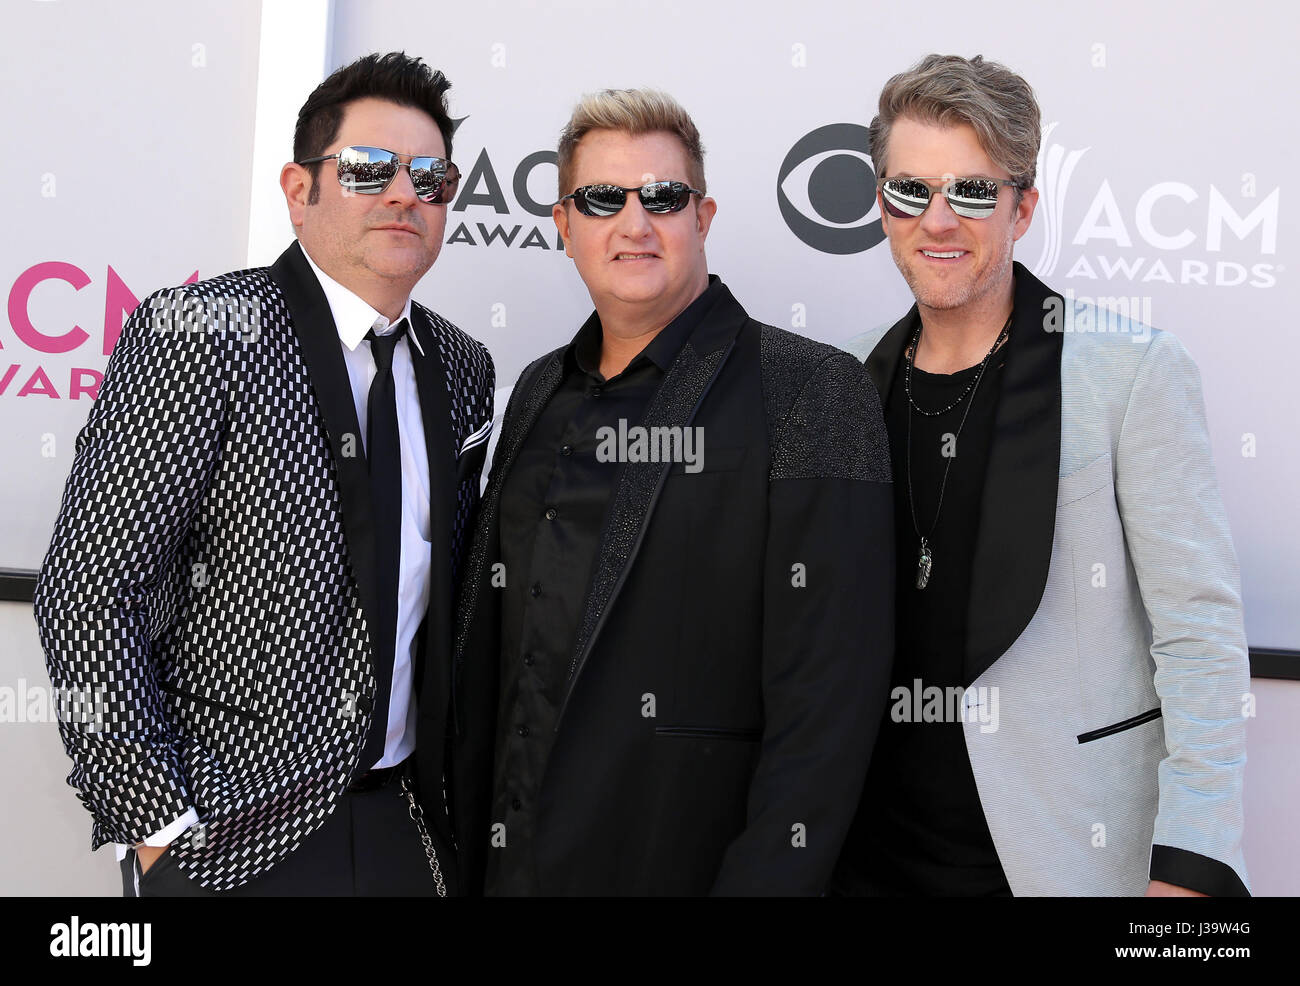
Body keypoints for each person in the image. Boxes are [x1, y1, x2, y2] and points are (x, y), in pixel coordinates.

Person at [33, 51, 494, 896]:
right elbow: (89, 591)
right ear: (299, 189)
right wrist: (157, 823)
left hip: (406, 825)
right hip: (231, 831)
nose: (403, 194)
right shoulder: (201, 331)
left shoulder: (461, 367)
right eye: (368, 169)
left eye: (430, 177)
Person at [449, 88, 894, 896]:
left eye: (662, 196)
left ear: (703, 216)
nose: (635, 222)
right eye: (602, 199)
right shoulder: (536, 390)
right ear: (563, 224)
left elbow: (830, 699)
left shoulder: (812, 389)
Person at [833, 54, 1250, 896]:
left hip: (1064, 856)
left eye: (974, 192)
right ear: (881, 205)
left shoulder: (1131, 371)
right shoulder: (847, 387)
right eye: (912, 190)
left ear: (1023, 208)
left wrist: (1194, 868)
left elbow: (1199, 634)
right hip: (867, 857)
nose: (939, 220)